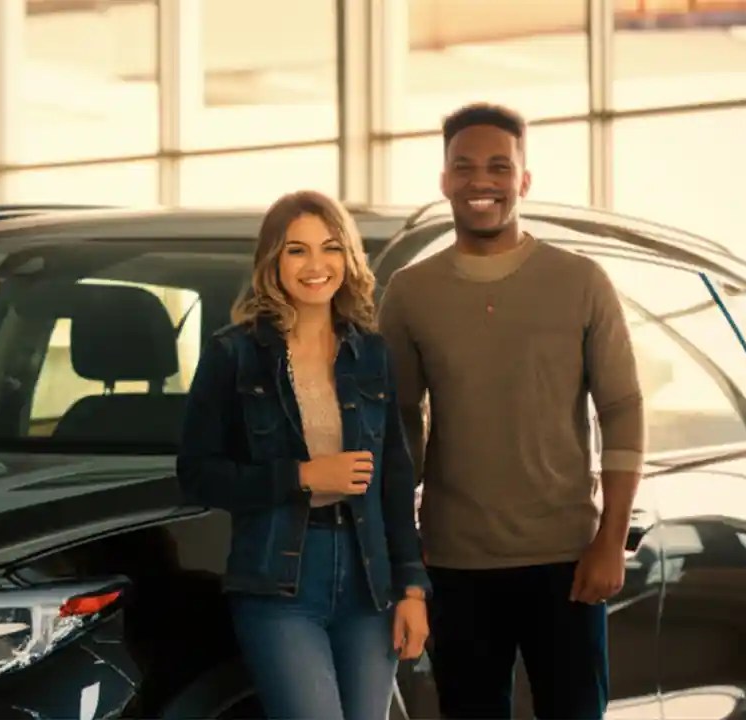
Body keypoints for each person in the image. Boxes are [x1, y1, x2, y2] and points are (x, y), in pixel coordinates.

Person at [377, 103, 645, 720]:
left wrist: (610, 540)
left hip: (567, 558)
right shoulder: (411, 293)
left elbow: (623, 408)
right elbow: (396, 425)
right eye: (464, 167)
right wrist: (403, 552)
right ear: (444, 179)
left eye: (499, 166)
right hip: (454, 563)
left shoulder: (581, 281)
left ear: (524, 180)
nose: (481, 181)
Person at [177, 189, 431, 720]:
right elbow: (198, 475)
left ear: (348, 257)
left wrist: (412, 589)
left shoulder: (371, 354)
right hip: (278, 585)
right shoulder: (233, 355)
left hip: (369, 584)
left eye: (330, 247)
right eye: (297, 250)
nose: (316, 265)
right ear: (273, 261)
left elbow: (395, 479)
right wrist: (302, 476)